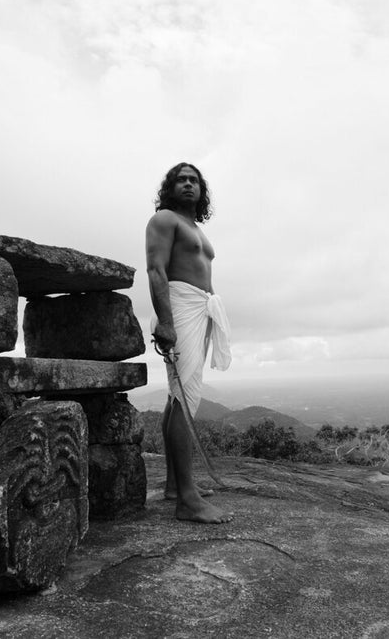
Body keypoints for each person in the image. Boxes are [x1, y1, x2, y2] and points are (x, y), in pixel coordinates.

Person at [145, 162, 233, 524]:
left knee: (175, 397)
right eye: (180, 179)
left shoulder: (193, 227)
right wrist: (166, 321)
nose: (187, 184)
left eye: (193, 180)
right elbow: (156, 269)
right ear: (169, 187)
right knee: (186, 398)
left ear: (202, 190)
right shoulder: (164, 220)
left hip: (199, 308)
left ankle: (172, 486)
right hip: (179, 308)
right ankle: (188, 499)